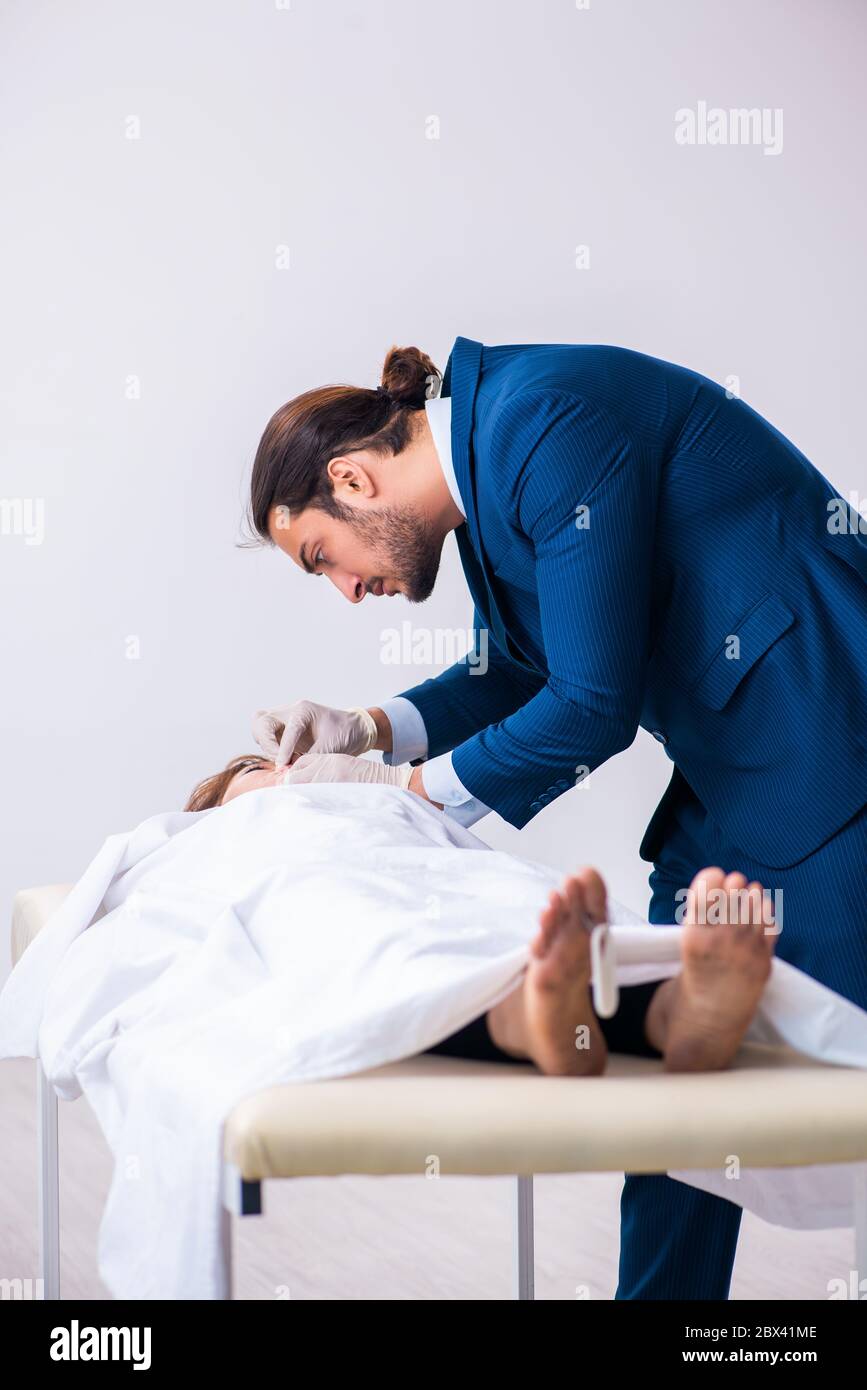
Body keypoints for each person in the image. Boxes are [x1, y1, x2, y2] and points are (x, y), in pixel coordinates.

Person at [244, 336, 867, 1298]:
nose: (347, 589)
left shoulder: (543, 423)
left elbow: (588, 706)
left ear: (352, 477)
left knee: (832, 1061)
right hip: (736, 754)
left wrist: (403, 795)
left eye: (322, 556)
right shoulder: (494, 462)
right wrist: (369, 727)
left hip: (827, 730)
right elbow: (521, 666)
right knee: (684, 1062)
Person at [185, 752, 776, 1079]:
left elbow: (448, 844)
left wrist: (388, 778)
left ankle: (677, 1011)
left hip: (449, 879)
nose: (284, 776)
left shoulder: (380, 802)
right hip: (329, 893)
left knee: (518, 913)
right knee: (393, 944)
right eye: (255, 774)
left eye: (279, 766)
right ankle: (538, 1017)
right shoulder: (232, 853)